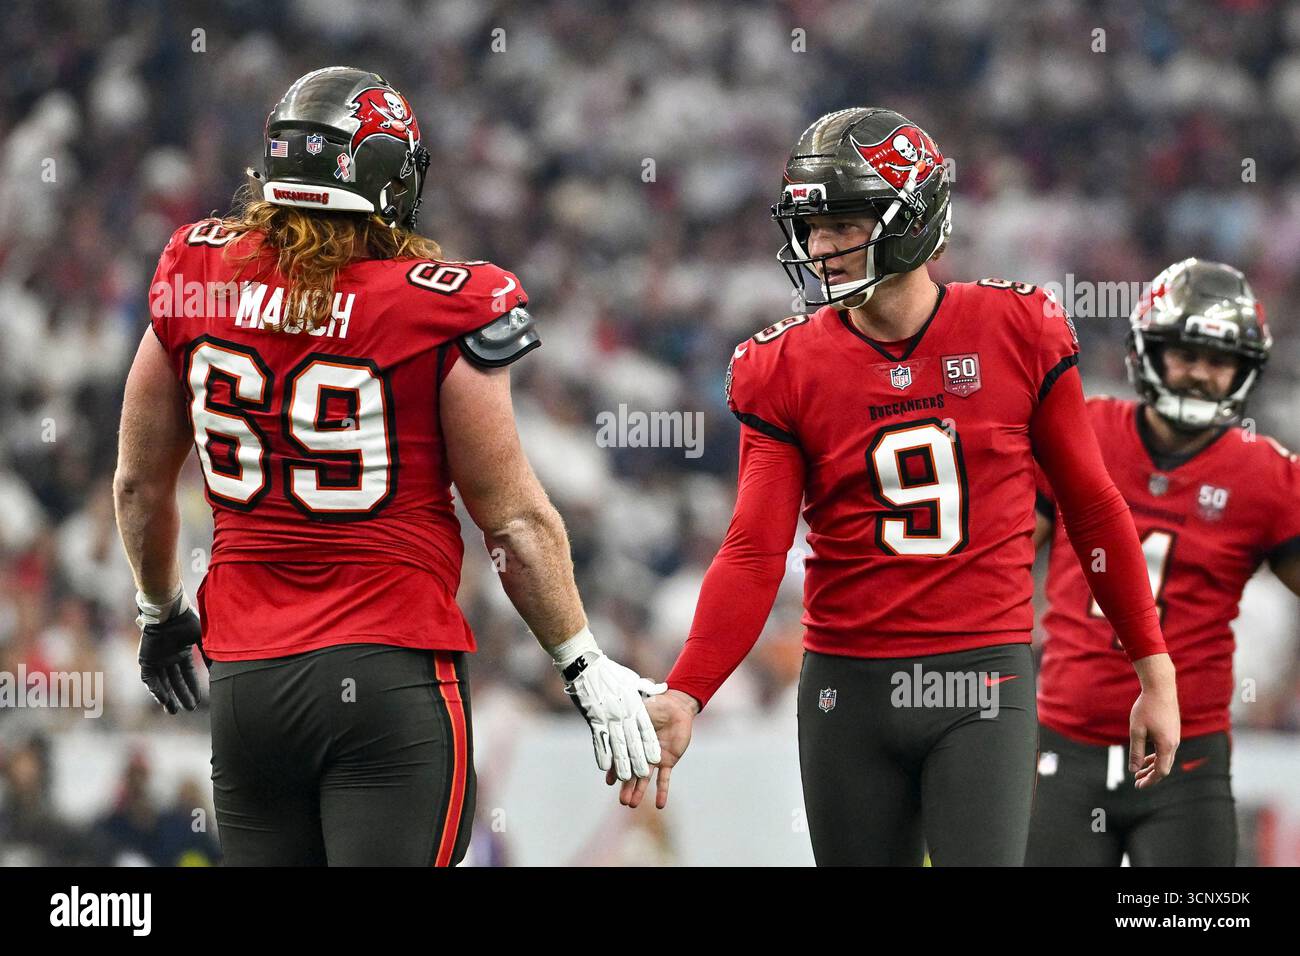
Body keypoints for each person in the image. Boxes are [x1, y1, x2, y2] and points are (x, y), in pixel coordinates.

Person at [113, 66, 660, 866]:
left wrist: (161, 614)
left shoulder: (197, 272)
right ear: (381, 180)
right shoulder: (440, 302)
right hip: (389, 675)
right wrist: (582, 661)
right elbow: (510, 516)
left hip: (248, 684)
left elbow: (137, 481)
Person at [622, 107, 1181, 866]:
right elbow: (755, 550)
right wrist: (687, 690)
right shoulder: (783, 366)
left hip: (982, 678)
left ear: (913, 216)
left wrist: (1153, 665)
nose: (820, 247)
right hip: (846, 688)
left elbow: (1090, 506)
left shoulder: (1018, 327)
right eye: (811, 226)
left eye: (843, 222)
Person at [1027, 259, 1300, 866]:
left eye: (1218, 360)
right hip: (1064, 748)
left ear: (1244, 371)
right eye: (1185, 353)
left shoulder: (1267, 477)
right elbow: (1004, 559)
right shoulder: (1083, 431)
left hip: (1189, 761)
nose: (1201, 373)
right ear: (1148, 350)